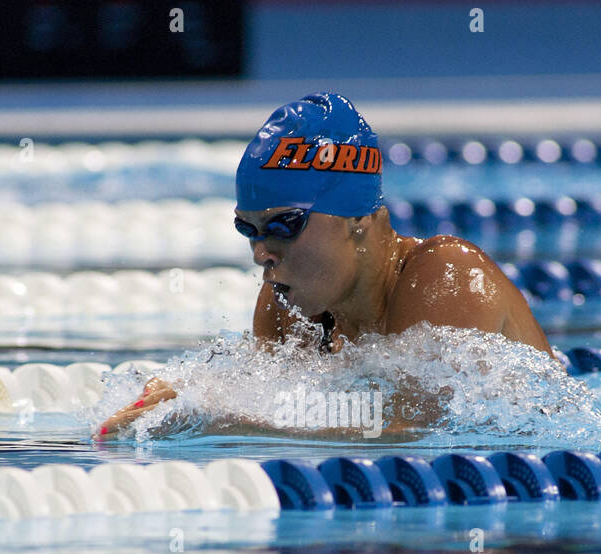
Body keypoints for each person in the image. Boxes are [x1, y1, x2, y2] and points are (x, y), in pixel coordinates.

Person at [96, 91, 556, 438]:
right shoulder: (287, 308)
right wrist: (189, 395)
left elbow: (407, 429)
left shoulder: (444, 274)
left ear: (355, 217)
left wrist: (219, 420)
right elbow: (291, 417)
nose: (261, 254)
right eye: (249, 230)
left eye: (283, 226)